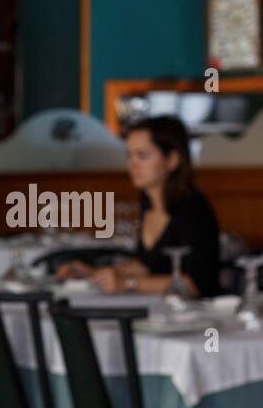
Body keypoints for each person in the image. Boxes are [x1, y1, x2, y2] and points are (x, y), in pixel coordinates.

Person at [56, 116, 221, 296]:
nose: (132, 164)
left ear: (172, 160)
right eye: (129, 155)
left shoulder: (194, 208)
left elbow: (197, 284)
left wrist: (128, 284)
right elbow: (147, 264)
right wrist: (93, 273)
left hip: (195, 311)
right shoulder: (149, 204)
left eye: (142, 155)